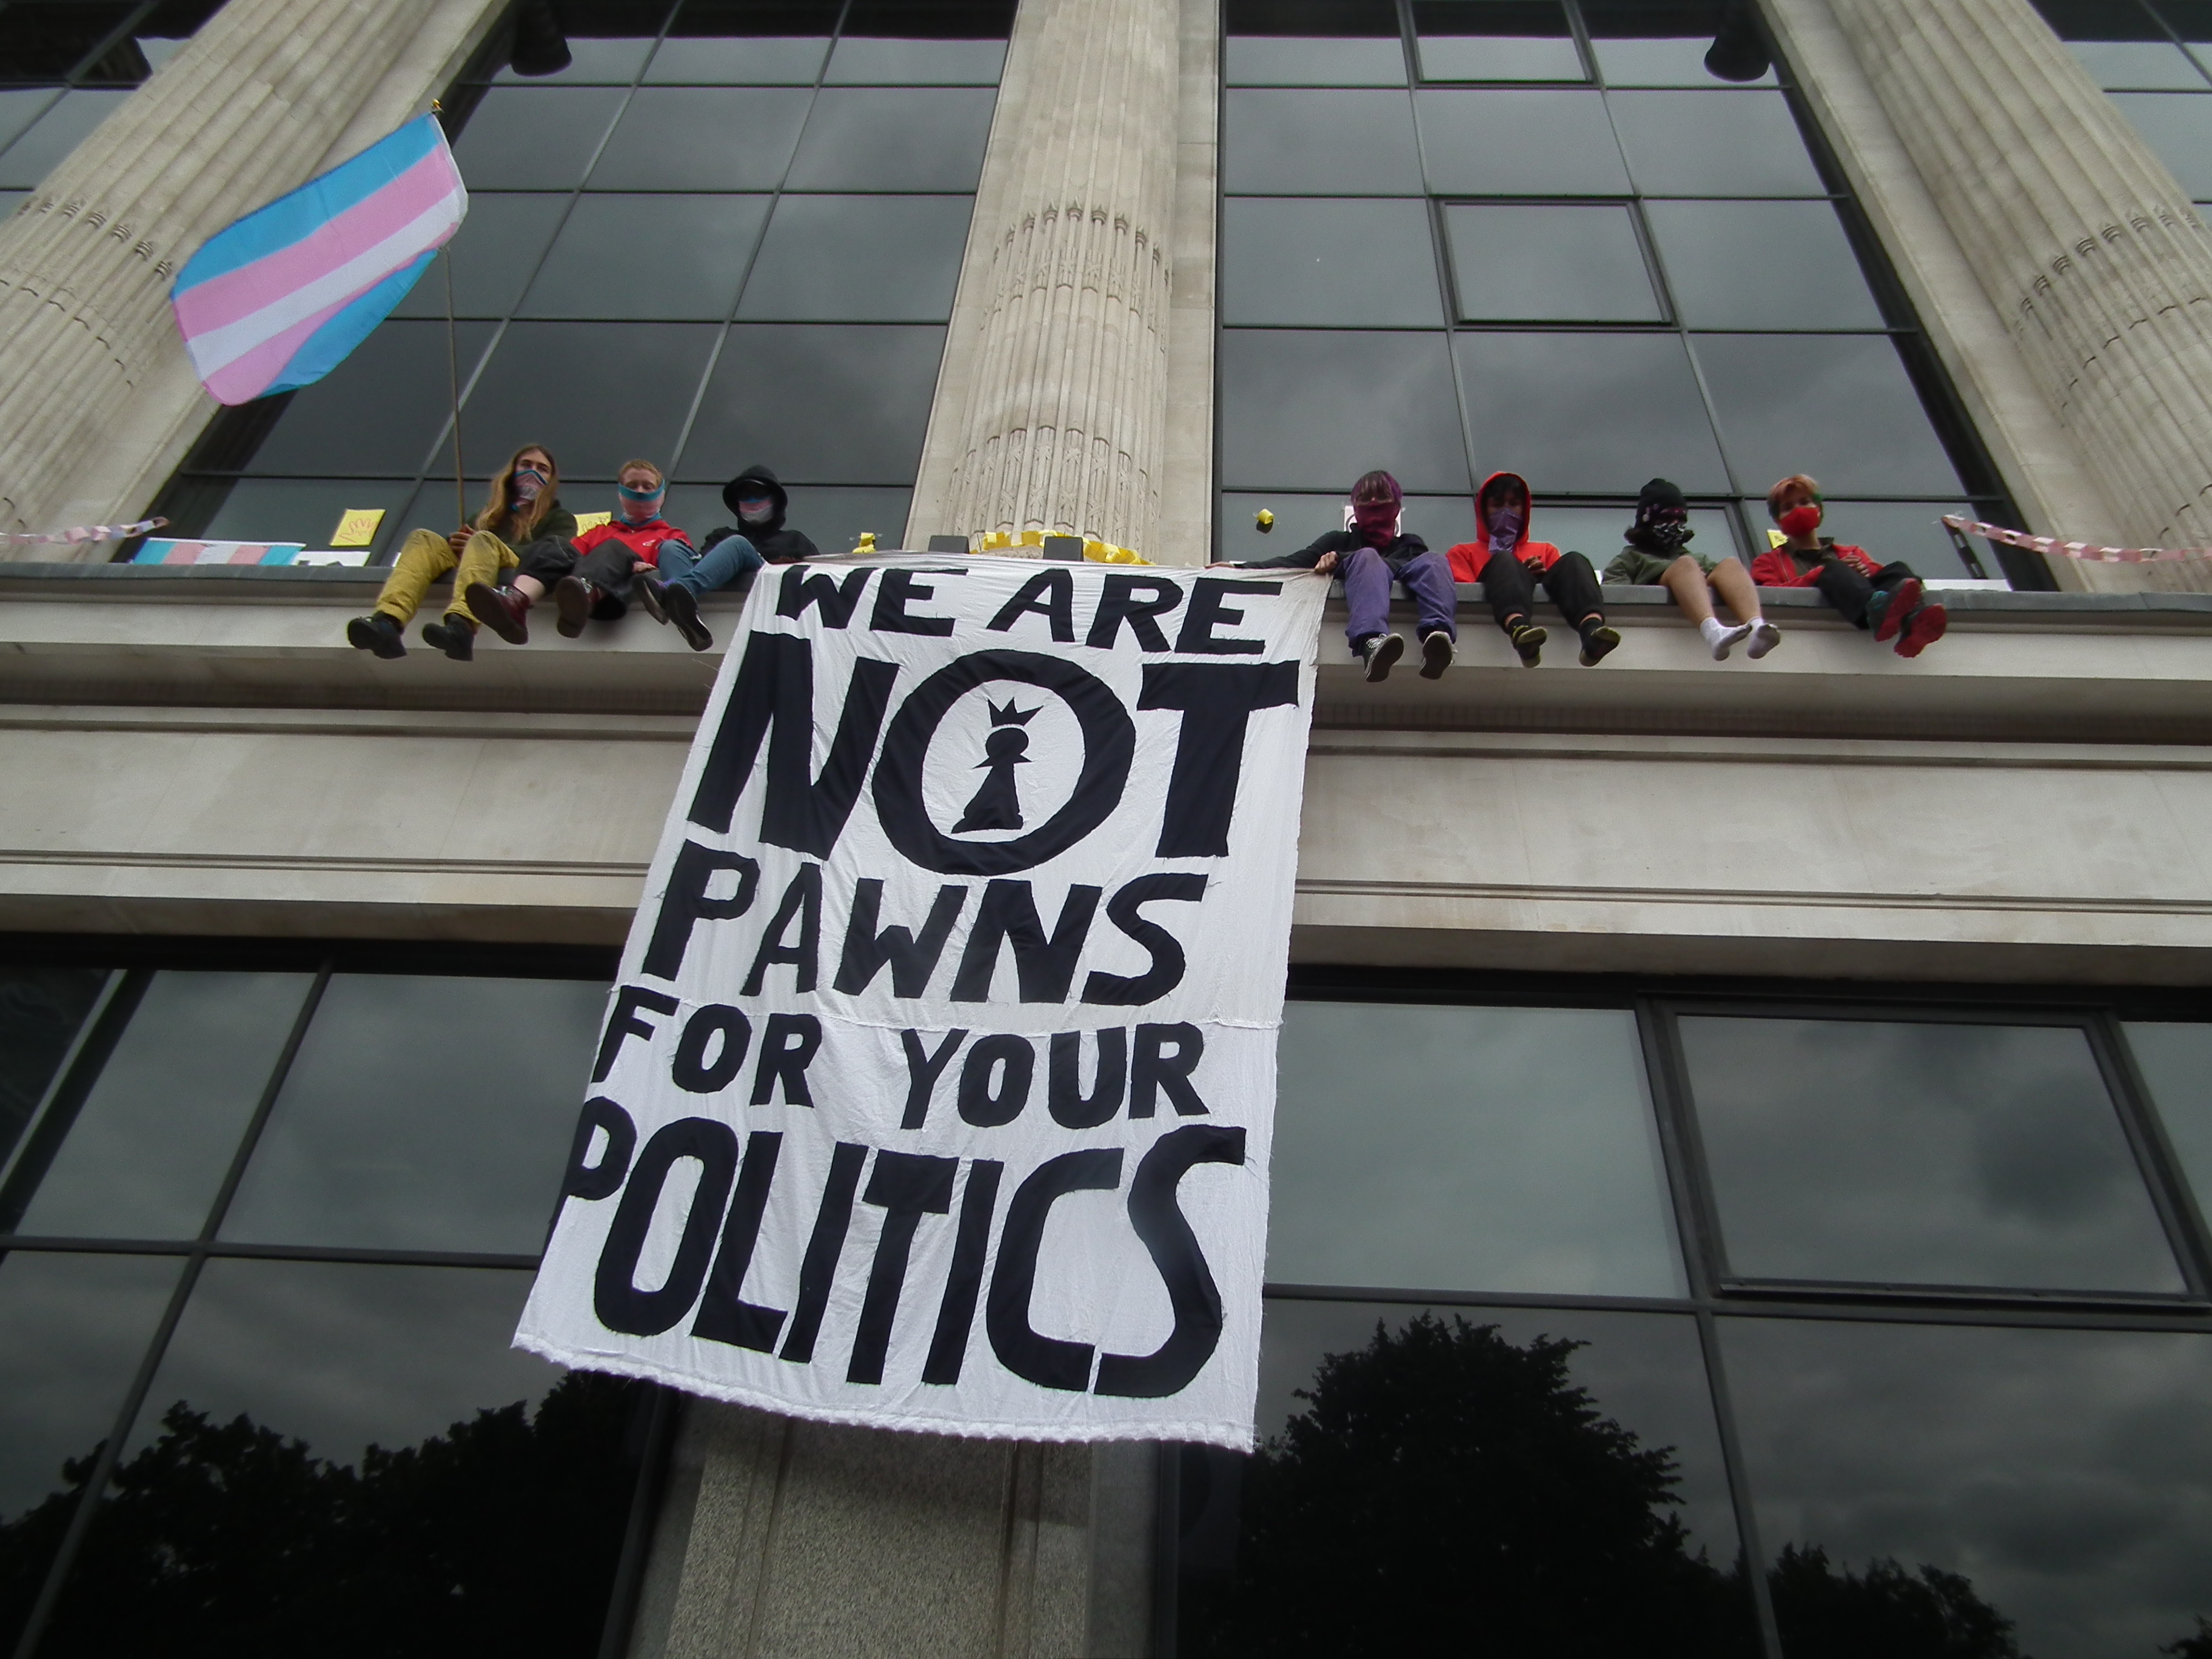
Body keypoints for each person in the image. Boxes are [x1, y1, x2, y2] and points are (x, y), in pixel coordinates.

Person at [345, 444, 575, 663]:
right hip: (480, 556)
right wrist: (455, 543)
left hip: (518, 567)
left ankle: (462, 625)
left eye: (542, 468)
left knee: (482, 539)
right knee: (423, 538)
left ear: (551, 481)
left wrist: (484, 544)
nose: (532, 472)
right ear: (513, 471)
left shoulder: (560, 518)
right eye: (526, 465)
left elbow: (554, 553)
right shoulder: (485, 516)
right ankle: (388, 622)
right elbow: (470, 548)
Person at [1233, 470, 1455, 682]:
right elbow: (1293, 563)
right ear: (1355, 508)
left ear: (1397, 507)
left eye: (1383, 496)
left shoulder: (1411, 545)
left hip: (1392, 571)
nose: (1375, 503)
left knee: (1434, 560)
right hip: (1361, 576)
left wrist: (1340, 559)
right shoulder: (1338, 541)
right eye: (1366, 498)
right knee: (1367, 557)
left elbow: (1414, 570)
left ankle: (1437, 638)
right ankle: (1371, 642)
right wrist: (1239, 568)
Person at [465, 459, 691, 645]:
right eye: (632, 486)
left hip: (612, 600)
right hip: (574, 588)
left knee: (613, 547)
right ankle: (516, 601)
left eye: (647, 486)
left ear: (661, 494)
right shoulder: (599, 531)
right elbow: (566, 557)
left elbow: (679, 575)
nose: (640, 491)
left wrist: (651, 570)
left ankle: (584, 594)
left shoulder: (672, 536)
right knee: (555, 543)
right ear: (621, 493)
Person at [1751, 474, 1946, 657]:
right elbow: (1771, 596)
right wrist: (1818, 575)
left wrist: (1865, 573)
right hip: (1845, 621)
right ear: (1778, 520)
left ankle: (1914, 621)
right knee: (1832, 569)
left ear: (1818, 508)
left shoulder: (1852, 552)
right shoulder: (1767, 562)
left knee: (1898, 569)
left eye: (1804, 502)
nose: (1798, 510)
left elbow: (1892, 584)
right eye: (1788, 507)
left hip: (1865, 612)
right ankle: (1876, 612)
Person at [635, 463, 819, 653]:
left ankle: (671, 592)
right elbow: (706, 564)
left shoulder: (795, 539)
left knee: (737, 544)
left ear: (775, 501)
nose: (752, 500)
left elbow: (816, 579)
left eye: (759, 494)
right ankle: (685, 613)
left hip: (764, 590)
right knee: (670, 547)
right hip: (713, 583)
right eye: (746, 496)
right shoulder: (721, 535)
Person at [1447, 472, 1618, 668]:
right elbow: (1466, 598)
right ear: (1484, 511)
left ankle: (1592, 632)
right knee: (1505, 560)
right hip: (1489, 625)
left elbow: (1566, 586)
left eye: (1513, 504)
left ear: (1525, 509)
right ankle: (1520, 630)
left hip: (1549, 615)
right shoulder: (1463, 553)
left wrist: (1538, 579)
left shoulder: (1546, 551)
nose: (1505, 511)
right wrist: (1517, 574)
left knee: (1575, 560)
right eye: (1497, 504)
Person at [1603, 477, 1780, 662]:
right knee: (1685, 564)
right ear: (1647, 519)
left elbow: (1722, 578)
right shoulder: (1627, 561)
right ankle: (1713, 630)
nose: (1674, 524)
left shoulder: (1699, 560)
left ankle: (1757, 627)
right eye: (1667, 517)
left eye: (1680, 519)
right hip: (1657, 634)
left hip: (1694, 579)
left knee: (1731, 564)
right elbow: (1618, 604)